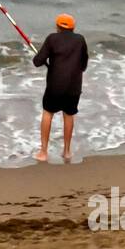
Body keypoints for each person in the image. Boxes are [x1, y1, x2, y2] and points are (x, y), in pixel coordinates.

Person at [32, 13, 88, 163]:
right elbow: (83, 64)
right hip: (74, 87)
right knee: (69, 115)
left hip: (55, 86)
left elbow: (37, 61)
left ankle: (43, 152)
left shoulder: (52, 38)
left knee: (48, 113)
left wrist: (40, 56)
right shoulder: (80, 40)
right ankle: (67, 151)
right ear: (73, 28)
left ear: (57, 27)